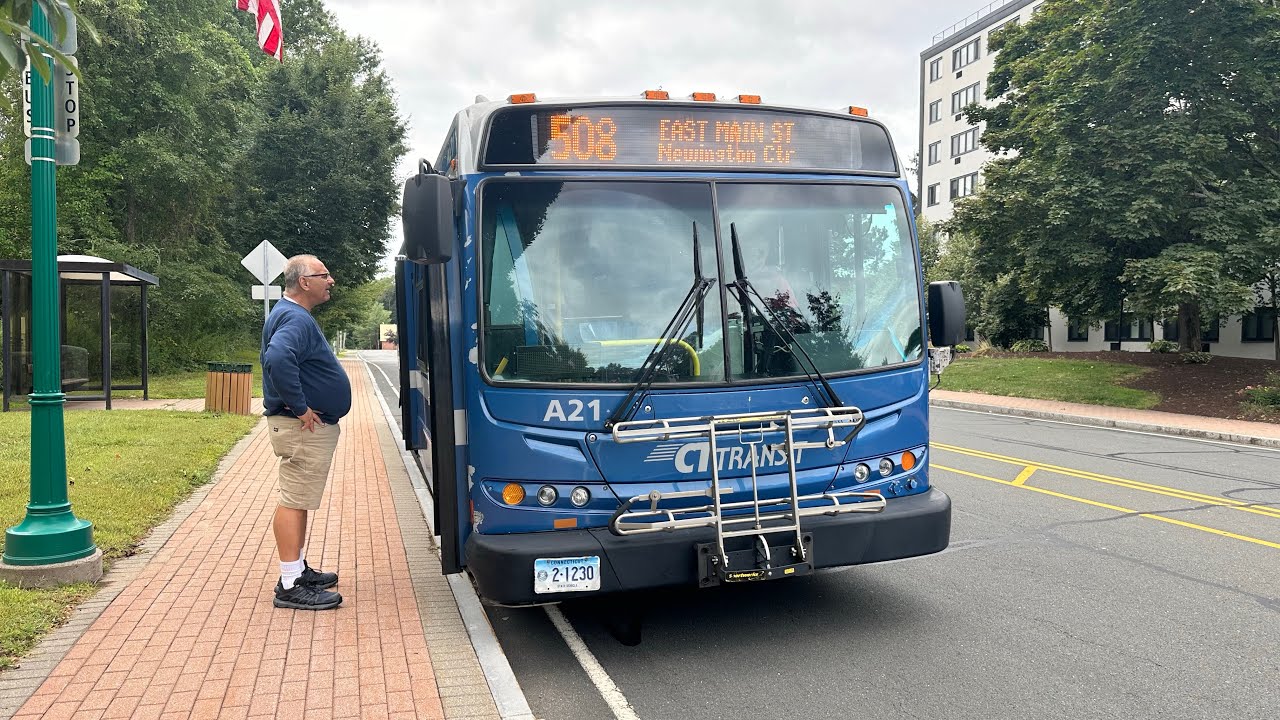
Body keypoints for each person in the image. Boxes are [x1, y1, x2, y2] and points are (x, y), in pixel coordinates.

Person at [261, 254, 351, 610]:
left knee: (298, 499)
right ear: (303, 282)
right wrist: (300, 407)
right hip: (300, 426)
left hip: (299, 426)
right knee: (294, 500)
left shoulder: (290, 314)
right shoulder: (295, 319)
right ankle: (289, 583)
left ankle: (297, 569)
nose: (331, 280)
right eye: (324, 275)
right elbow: (278, 357)